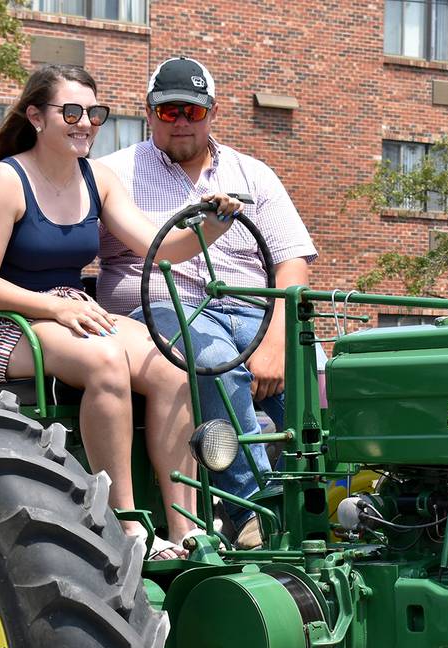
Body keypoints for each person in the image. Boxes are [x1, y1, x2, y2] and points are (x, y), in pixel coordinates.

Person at [0, 63, 242, 559]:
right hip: (3, 323)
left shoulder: (98, 179)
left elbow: (158, 247)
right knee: (106, 360)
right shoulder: (6, 180)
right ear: (37, 117)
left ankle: (184, 527)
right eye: (71, 111)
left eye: (94, 113)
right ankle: (127, 527)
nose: (85, 123)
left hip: (71, 311)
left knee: (172, 365)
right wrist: (53, 309)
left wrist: (211, 226)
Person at [94, 57, 317, 548]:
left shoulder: (252, 174)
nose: (181, 122)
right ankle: (251, 511)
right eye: (169, 111)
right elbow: (53, 229)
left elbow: (292, 262)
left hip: (255, 315)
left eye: (193, 112)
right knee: (215, 361)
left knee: (320, 376)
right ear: (148, 112)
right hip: (165, 313)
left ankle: (340, 503)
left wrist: (277, 340)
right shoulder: (112, 175)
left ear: (212, 112)